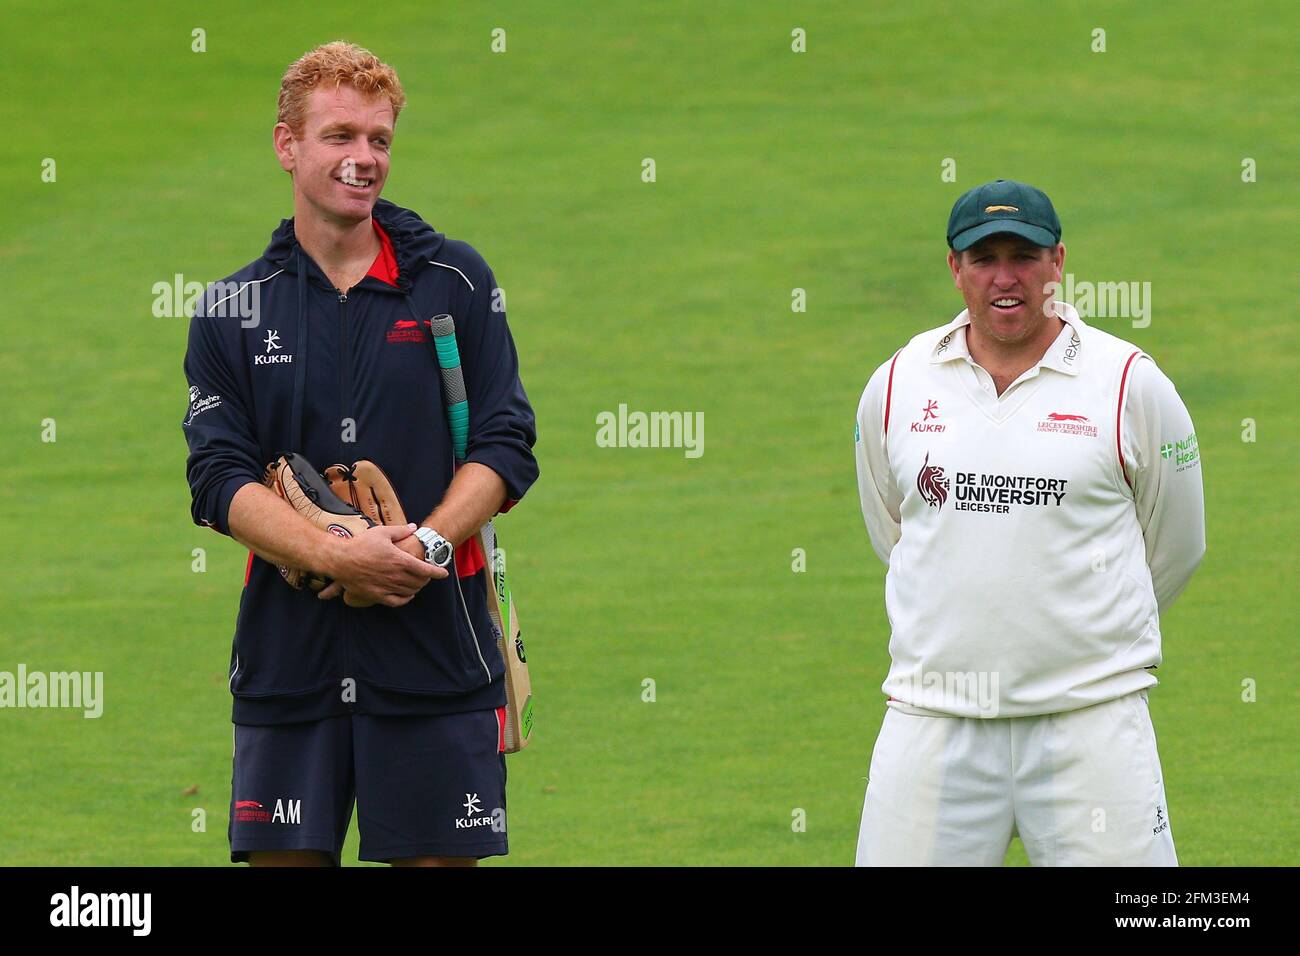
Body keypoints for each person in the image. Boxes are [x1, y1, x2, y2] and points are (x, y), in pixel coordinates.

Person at [181, 41, 539, 867]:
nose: (364, 157)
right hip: (289, 662)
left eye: (379, 139)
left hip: (438, 650)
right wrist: (338, 555)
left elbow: (506, 441)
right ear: (287, 145)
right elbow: (217, 478)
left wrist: (428, 545)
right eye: (340, 135)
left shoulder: (453, 283)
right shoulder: (233, 310)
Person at [852, 179, 1204, 866]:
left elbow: (1178, 544)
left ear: (1058, 262)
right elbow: (895, 533)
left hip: (1091, 723)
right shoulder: (897, 384)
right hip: (934, 722)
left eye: (1024, 256)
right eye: (984, 259)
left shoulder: (1128, 383)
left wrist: (1086, 633)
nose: (1005, 278)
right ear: (955, 268)